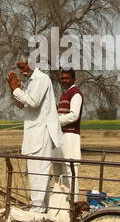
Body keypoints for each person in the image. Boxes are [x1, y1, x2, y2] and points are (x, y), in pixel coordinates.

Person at [8, 57, 62, 213]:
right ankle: (42, 206)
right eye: (19, 68)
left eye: (23, 67)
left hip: (42, 132)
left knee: (37, 169)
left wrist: (16, 90)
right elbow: (21, 104)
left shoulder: (42, 79)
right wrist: (14, 90)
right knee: (37, 170)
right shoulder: (31, 82)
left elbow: (33, 102)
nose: (21, 71)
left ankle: (38, 208)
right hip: (34, 132)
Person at [56, 67, 83, 198]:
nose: (64, 80)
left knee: (70, 170)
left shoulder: (75, 93)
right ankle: (61, 203)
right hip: (61, 136)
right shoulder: (63, 94)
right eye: (62, 78)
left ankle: (74, 203)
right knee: (60, 171)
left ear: (73, 79)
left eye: (67, 78)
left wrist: (55, 121)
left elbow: (73, 116)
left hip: (70, 136)